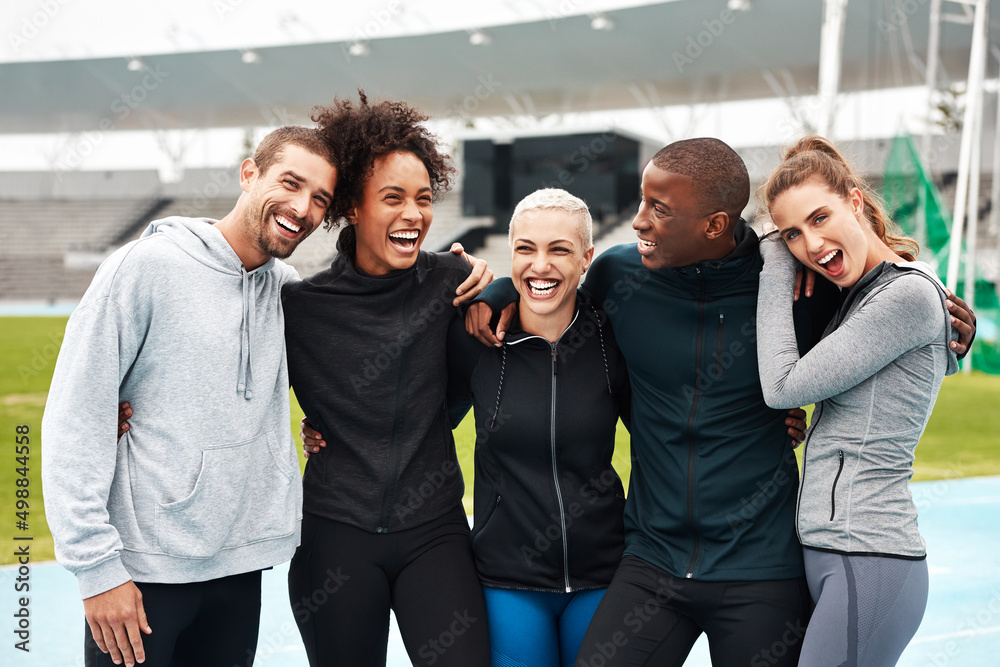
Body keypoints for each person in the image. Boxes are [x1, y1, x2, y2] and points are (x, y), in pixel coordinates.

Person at [466, 138, 978, 666]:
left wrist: (951, 321)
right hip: (653, 562)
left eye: (659, 210)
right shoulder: (619, 276)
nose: (638, 222)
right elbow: (553, 289)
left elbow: (888, 301)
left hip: (761, 568)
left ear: (713, 224)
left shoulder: (799, 289)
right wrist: (498, 292)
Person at [41, 126, 338, 667]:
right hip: (143, 571)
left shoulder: (286, 288)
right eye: (291, 183)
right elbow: (75, 418)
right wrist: (97, 570)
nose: (303, 207)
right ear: (249, 174)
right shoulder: (145, 267)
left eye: (320, 198)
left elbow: (360, 356)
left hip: (238, 568)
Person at [281, 92, 492, 666]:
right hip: (335, 536)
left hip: (435, 531)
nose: (413, 214)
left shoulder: (456, 282)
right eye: (392, 198)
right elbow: (235, 381)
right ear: (352, 205)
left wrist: (485, 289)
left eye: (423, 199)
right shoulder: (300, 307)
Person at [755, 136, 959, 666]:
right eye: (793, 234)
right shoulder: (861, 296)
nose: (810, 243)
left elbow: (782, 386)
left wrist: (774, 260)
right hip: (829, 550)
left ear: (855, 201)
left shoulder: (907, 294)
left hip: (870, 553)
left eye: (820, 217)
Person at [449, 188, 631, 666]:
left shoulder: (614, 336)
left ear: (587, 257)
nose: (540, 265)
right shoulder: (477, 339)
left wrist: (767, 422)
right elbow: (417, 419)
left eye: (559, 249)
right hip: (507, 581)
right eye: (526, 249)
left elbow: (668, 423)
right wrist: (328, 431)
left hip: (603, 573)